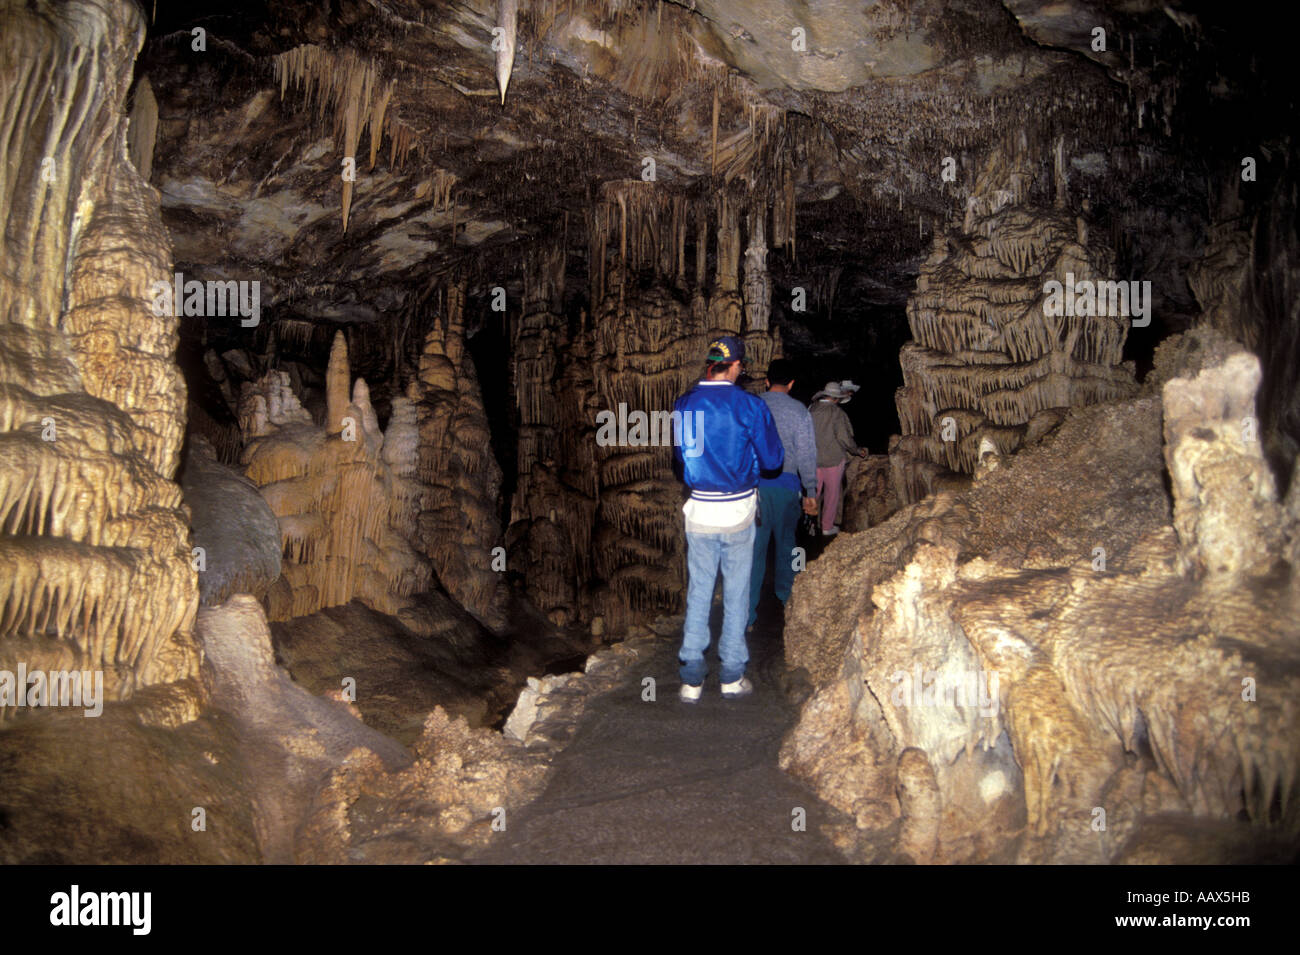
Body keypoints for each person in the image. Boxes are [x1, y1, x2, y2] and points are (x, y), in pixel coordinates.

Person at [672, 336, 783, 703]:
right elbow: (771, 461)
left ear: (710, 365)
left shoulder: (684, 405)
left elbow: (681, 458)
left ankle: (691, 679)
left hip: (700, 512)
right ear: (735, 366)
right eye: (742, 367)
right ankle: (732, 677)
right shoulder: (750, 406)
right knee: (736, 593)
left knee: (700, 591)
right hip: (737, 513)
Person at [748, 358, 818, 630]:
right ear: (791, 384)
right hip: (788, 487)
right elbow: (806, 453)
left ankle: (746, 618)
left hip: (756, 489)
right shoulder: (799, 410)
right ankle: (789, 607)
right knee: (788, 547)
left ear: (766, 381)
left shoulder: (754, 406)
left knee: (754, 552)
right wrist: (810, 490)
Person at [809, 380, 867, 536]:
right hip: (833, 459)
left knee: (813, 492)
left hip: (813, 459)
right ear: (835, 398)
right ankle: (827, 526)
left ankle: (809, 523)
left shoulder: (811, 409)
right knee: (832, 494)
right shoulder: (836, 413)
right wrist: (856, 450)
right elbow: (844, 438)